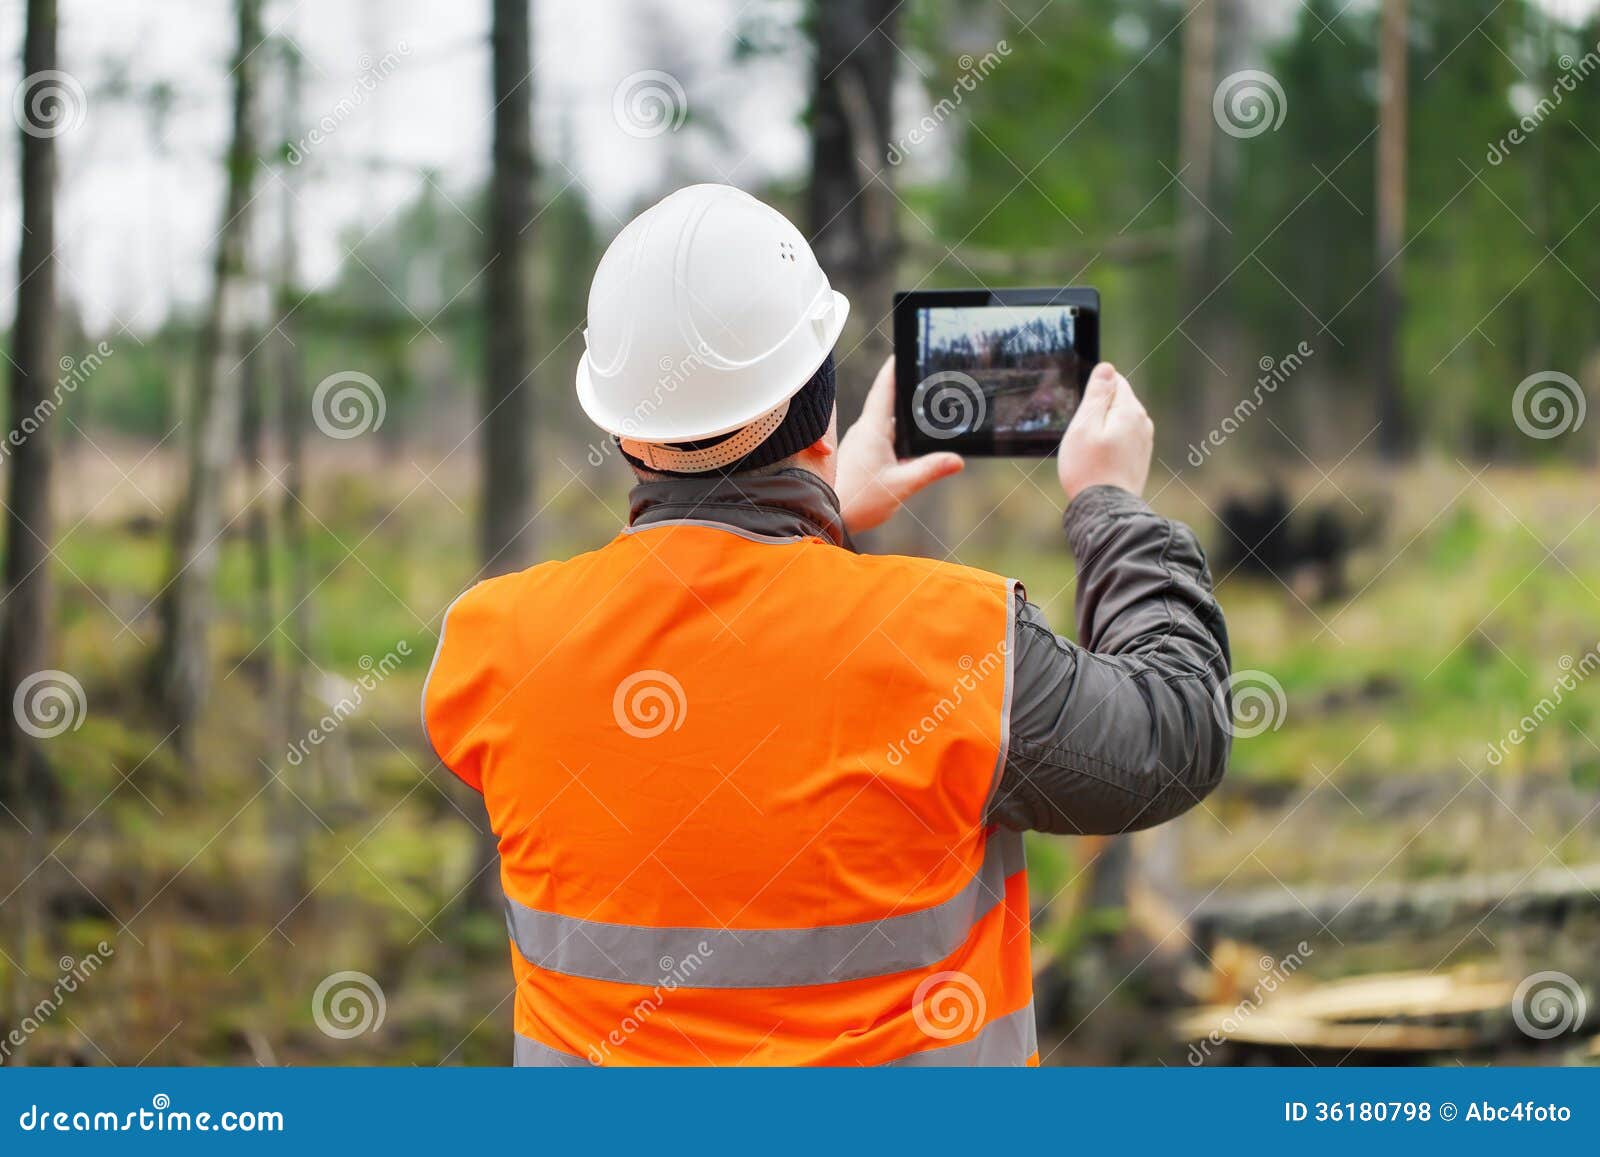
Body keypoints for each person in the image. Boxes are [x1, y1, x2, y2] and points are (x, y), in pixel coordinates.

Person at [423, 183, 1231, 1067]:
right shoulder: (952, 644)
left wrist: (811, 516)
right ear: (821, 408)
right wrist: (1110, 503)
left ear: (622, 429)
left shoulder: (496, 647)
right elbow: (1176, 730)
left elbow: (716, 660)